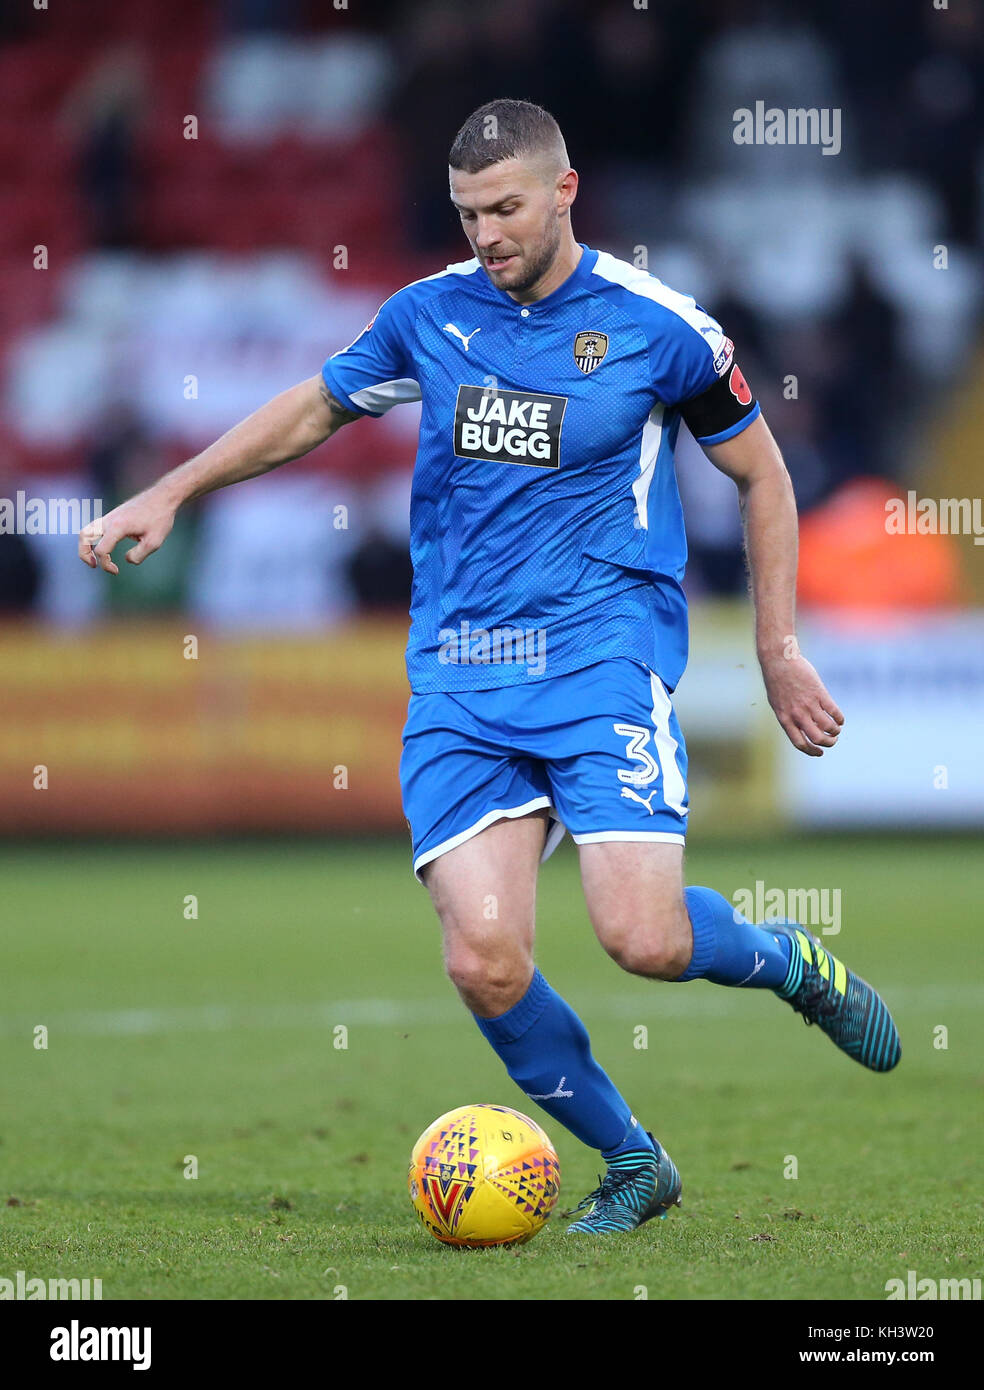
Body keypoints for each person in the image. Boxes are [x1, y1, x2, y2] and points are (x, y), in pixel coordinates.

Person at [79, 99, 901, 1237]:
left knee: (645, 939)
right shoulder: (431, 315)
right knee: (483, 960)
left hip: (600, 656)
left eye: (507, 208)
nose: (486, 234)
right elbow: (315, 406)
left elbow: (763, 477)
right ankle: (633, 1159)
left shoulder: (661, 328)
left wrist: (778, 649)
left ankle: (789, 962)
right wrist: (172, 488)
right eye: (468, 213)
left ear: (566, 191)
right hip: (462, 676)